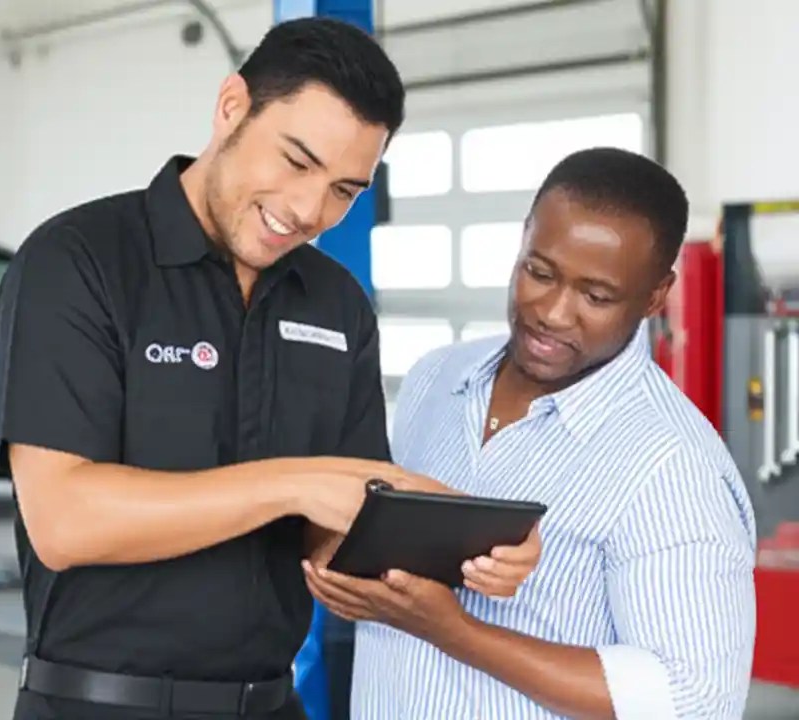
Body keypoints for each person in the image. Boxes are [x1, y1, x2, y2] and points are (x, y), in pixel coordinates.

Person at [0, 17, 542, 720]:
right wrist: (296, 484)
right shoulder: (79, 262)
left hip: (272, 703)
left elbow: (337, 536)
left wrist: (467, 546)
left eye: (345, 190)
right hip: (98, 705)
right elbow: (65, 522)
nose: (310, 210)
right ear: (231, 108)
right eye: (296, 161)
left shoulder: (336, 304)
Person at [304, 147, 758, 719]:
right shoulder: (436, 380)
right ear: (523, 240)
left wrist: (454, 630)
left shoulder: (672, 464)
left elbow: (693, 699)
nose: (553, 312)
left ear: (654, 297)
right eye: (540, 272)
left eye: (596, 296)